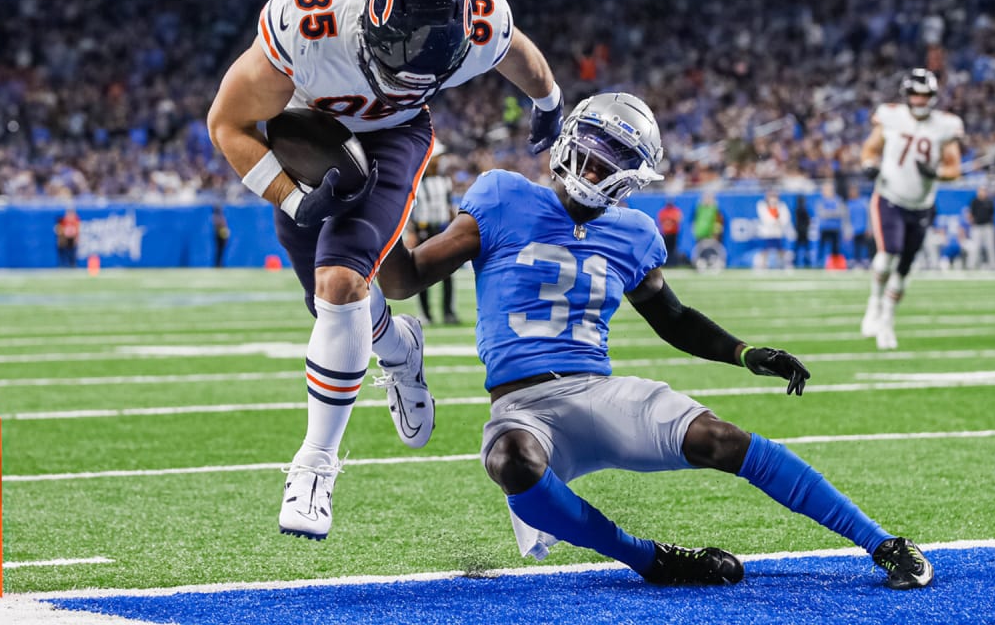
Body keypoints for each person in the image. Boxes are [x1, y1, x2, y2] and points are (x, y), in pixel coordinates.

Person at [376, 92, 933, 589]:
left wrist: (744, 353)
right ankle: (651, 561)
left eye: (612, 158)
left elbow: (673, 318)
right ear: (568, 139)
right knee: (509, 460)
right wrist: (378, 213)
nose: (595, 165)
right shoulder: (503, 197)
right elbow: (403, 280)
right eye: (591, 148)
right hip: (523, 408)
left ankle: (881, 542)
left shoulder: (631, 231)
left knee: (723, 439)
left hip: (597, 392)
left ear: (632, 176)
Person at [207, 0, 562, 540]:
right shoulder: (309, 18)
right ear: (374, 19)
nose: (412, 73)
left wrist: (549, 101)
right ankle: (399, 348)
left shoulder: (478, 15)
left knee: (340, 286)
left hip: (396, 135)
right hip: (309, 136)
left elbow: (516, 50)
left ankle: (315, 464)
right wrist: (295, 199)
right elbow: (227, 123)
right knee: (332, 307)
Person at [859, 68, 963, 349]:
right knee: (887, 254)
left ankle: (887, 322)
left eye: (924, 95)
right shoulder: (891, 116)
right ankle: (875, 303)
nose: (919, 100)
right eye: (915, 94)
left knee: (904, 270)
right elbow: (869, 149)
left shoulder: (945, 125)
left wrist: (935, 172)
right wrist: (869, 165)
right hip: (889, 196)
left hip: (921, 206)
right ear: (906, 96)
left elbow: (954, 168)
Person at [411, 142, 459, 326]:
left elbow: (449, 208)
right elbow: (409, 211)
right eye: (436, 158)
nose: (439, 161)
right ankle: (425, 314)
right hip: (423, 230)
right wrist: (412, 232)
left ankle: (448, 312)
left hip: (442, 229)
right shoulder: (415, 182)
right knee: (422, 274)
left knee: (448, 273)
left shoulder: (444, 181)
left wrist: (454, 226)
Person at [753, 189, 793, 269]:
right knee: (765, 250)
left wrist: (779, 221)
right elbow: (765, 218)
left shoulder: (781, 205)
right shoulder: (761, 205)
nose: (773, 198)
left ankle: (784, 265)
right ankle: (762, 266)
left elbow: (786, 217)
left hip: (778, 232)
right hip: (766, 233)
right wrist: (774, 220)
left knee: (781, 250)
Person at [813, 181, 850, 267]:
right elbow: (821, 213)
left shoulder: (838, 200)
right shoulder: (821, 201)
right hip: (824, 228)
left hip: (835, 228)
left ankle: (835, 265)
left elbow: (841, 212)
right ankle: (818, 264)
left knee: (835, 248)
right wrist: (833, 214)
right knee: (821, 248)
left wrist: (829, 214)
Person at [967, 185, 995, 269]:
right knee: (975, 247)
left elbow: (992, 214)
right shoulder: (974, 201)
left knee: (991, 247)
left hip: (988, 226)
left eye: (983, 191)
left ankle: (994, 266)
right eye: (980, 190)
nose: (982, 192)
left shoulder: (990, 201)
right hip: (977, 226)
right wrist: (972, 222)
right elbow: (970, 214)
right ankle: (971, 266)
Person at [656, 199, 683, 266]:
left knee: (673, 249)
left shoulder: (675, 211)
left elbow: (678, 220)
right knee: (665, 249)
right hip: (666, 233)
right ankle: (666, 263)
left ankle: (673, 263)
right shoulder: (663, 212)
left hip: (673, 233)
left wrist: (670, 221)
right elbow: (661, 220)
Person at [792, 194, 812, 268]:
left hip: (799, 231)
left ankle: (797, 262)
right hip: (803, 231)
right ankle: (806, 262)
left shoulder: (797, 209)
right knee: (805, 248)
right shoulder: (802, 210)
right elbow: (808, 221)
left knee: (798, 248)